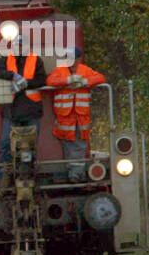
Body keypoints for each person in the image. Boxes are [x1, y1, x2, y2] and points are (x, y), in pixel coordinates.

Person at [46, 45, 107, 182]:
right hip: (65, 119)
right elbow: (50, 81)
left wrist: (85, 82)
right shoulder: (60, 70)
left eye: (73, 58)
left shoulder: (85, 71)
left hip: (81, 118)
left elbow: (101, 78)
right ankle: (74, 173)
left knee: (80, 146)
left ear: (79, 59)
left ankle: (76, 174)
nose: (70, 60)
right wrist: (68, 81)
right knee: (68, 146)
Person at [0, 40, 47, 184]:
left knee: (31, 146)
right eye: (18, 45)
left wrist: (26, 83)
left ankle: (31, 176)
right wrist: (13, 76)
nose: (20, 48)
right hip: (12, 110)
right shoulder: (6, 59)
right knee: (5, 144)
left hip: (32, 109)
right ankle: (1, 176)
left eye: (23, 45)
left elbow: (42, 80)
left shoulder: (35, 59)